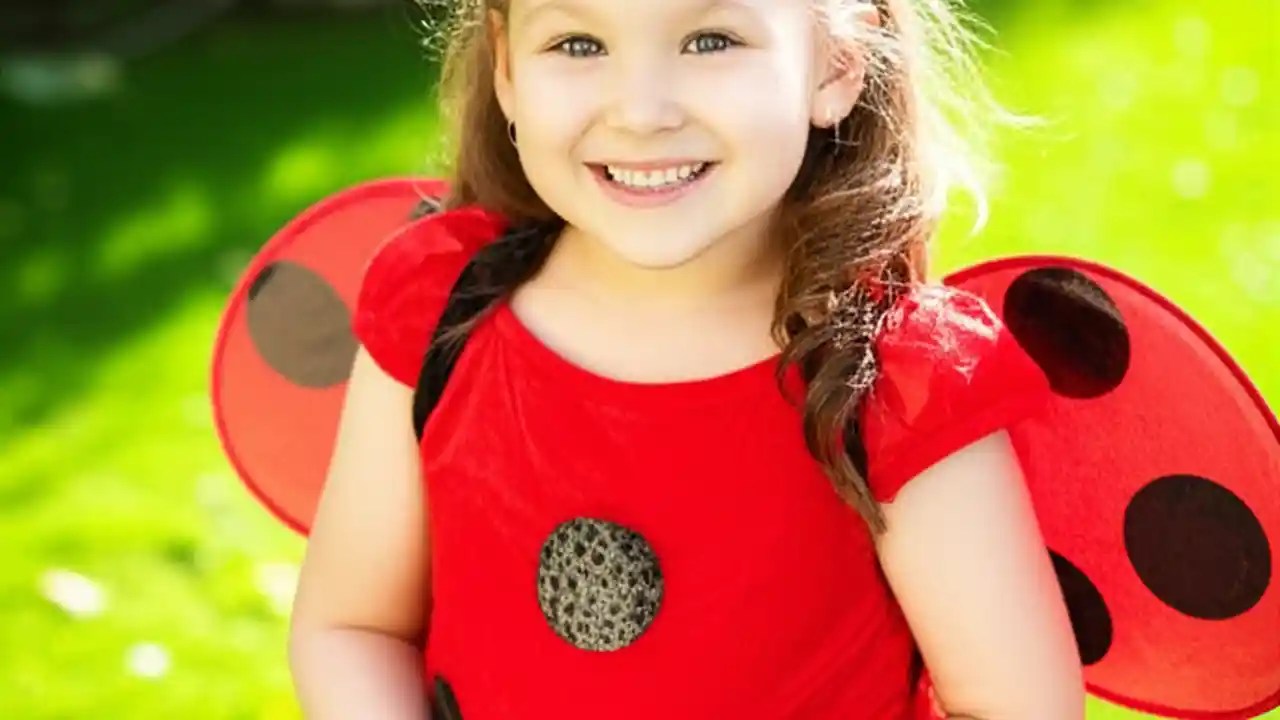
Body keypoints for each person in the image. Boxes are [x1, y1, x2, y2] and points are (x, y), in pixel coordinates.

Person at [283, 0, 1088, 717]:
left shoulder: (899, 383)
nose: (641, 111)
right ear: (505, 67)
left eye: (709, 38)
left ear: (835, 64)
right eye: (577, 43)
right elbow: (353, 626)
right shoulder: (440, 307)